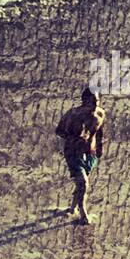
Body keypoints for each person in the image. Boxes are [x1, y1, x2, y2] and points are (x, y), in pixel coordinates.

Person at [55, 87, 105, 225]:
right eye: (92, 102)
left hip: (90, 153)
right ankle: (83, 213)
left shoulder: (100, 114)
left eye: (97, 101)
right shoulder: (73, 115)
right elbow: (59, 131)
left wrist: (99, 148)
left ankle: (72, 208)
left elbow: (100, 133)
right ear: (84, 102)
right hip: (74, 152)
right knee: (83, 182)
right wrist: (75, 138)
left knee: (81, 183)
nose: (95, 104)